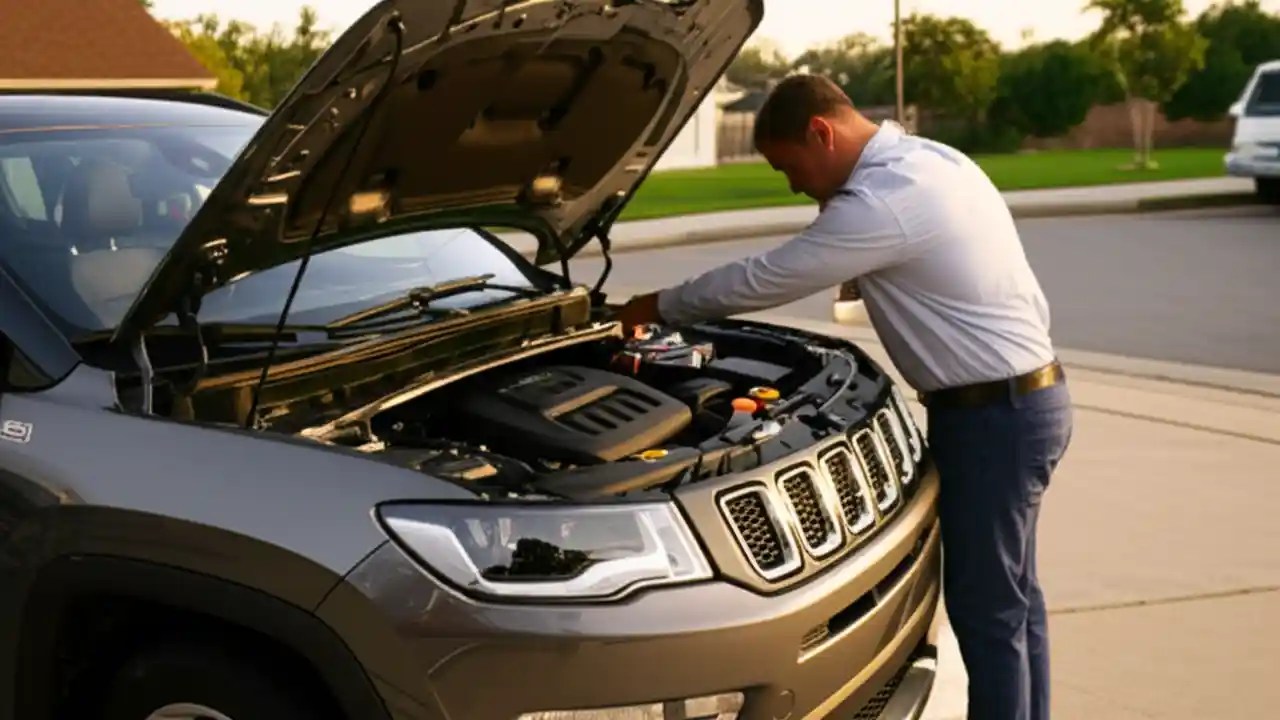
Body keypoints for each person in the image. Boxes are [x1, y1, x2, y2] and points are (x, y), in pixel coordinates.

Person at [616, 74, 1073, 720]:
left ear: (821, 134)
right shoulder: (928, 161)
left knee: (985, 609)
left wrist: (655, 305)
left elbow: (768, 277)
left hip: (993, 419)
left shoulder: (883, 202)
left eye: (788, 166)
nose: (793, 185)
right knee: (1014, 599)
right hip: (1026, 401)